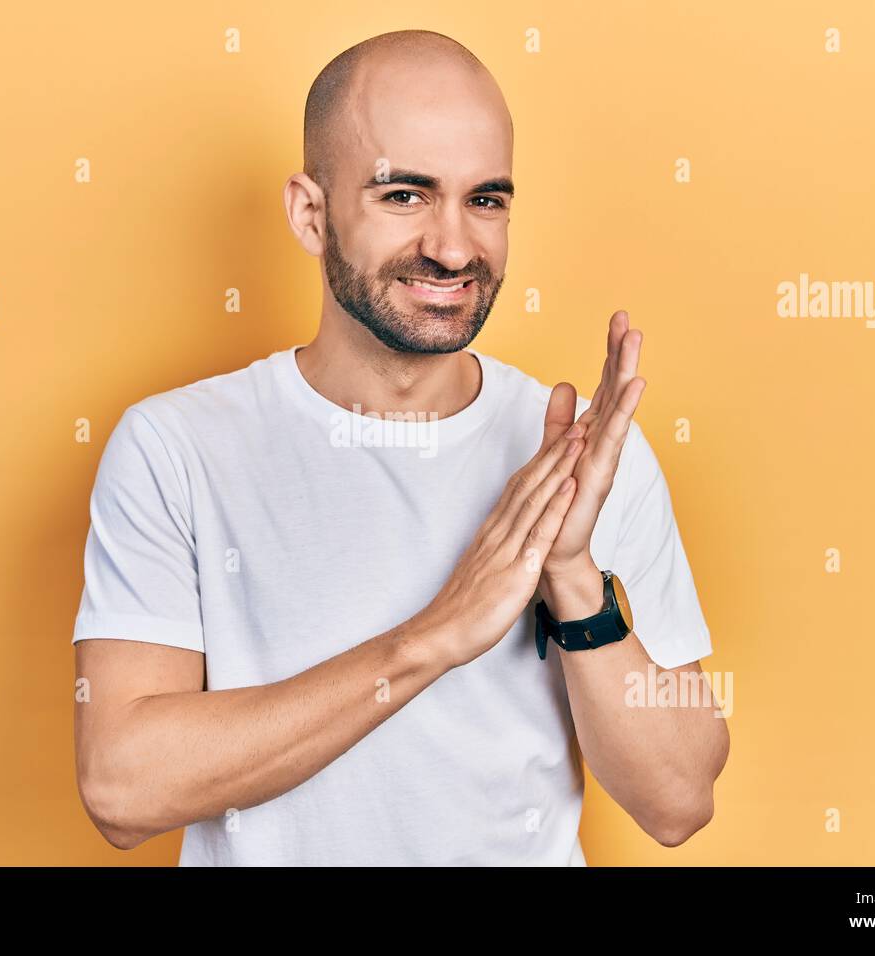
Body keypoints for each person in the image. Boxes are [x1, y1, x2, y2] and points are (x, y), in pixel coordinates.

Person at [71, 29, 728, 866]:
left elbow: (679, 800)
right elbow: (124, 788)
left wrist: (572, 577)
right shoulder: (178, 448)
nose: (454, 248)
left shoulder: (577, 458)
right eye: (404, 196)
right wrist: (432, 639)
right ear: (311, 213)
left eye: (485, 200)